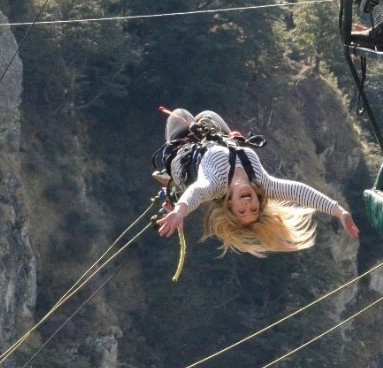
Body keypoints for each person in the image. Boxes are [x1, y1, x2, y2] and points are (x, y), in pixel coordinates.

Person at [152, 108, 360, 257]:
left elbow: (197, 192)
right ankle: (216, 141)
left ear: (229, 205)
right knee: (207, 115)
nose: (248, 206)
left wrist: (180, 211)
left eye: (242, 211)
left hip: (184, 156)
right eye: (254, 209)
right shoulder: (262, 184)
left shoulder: (215, 185)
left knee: (180, 113)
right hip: (218, 140)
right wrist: (338, 211)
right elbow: (299, 192)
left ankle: (173, 183)